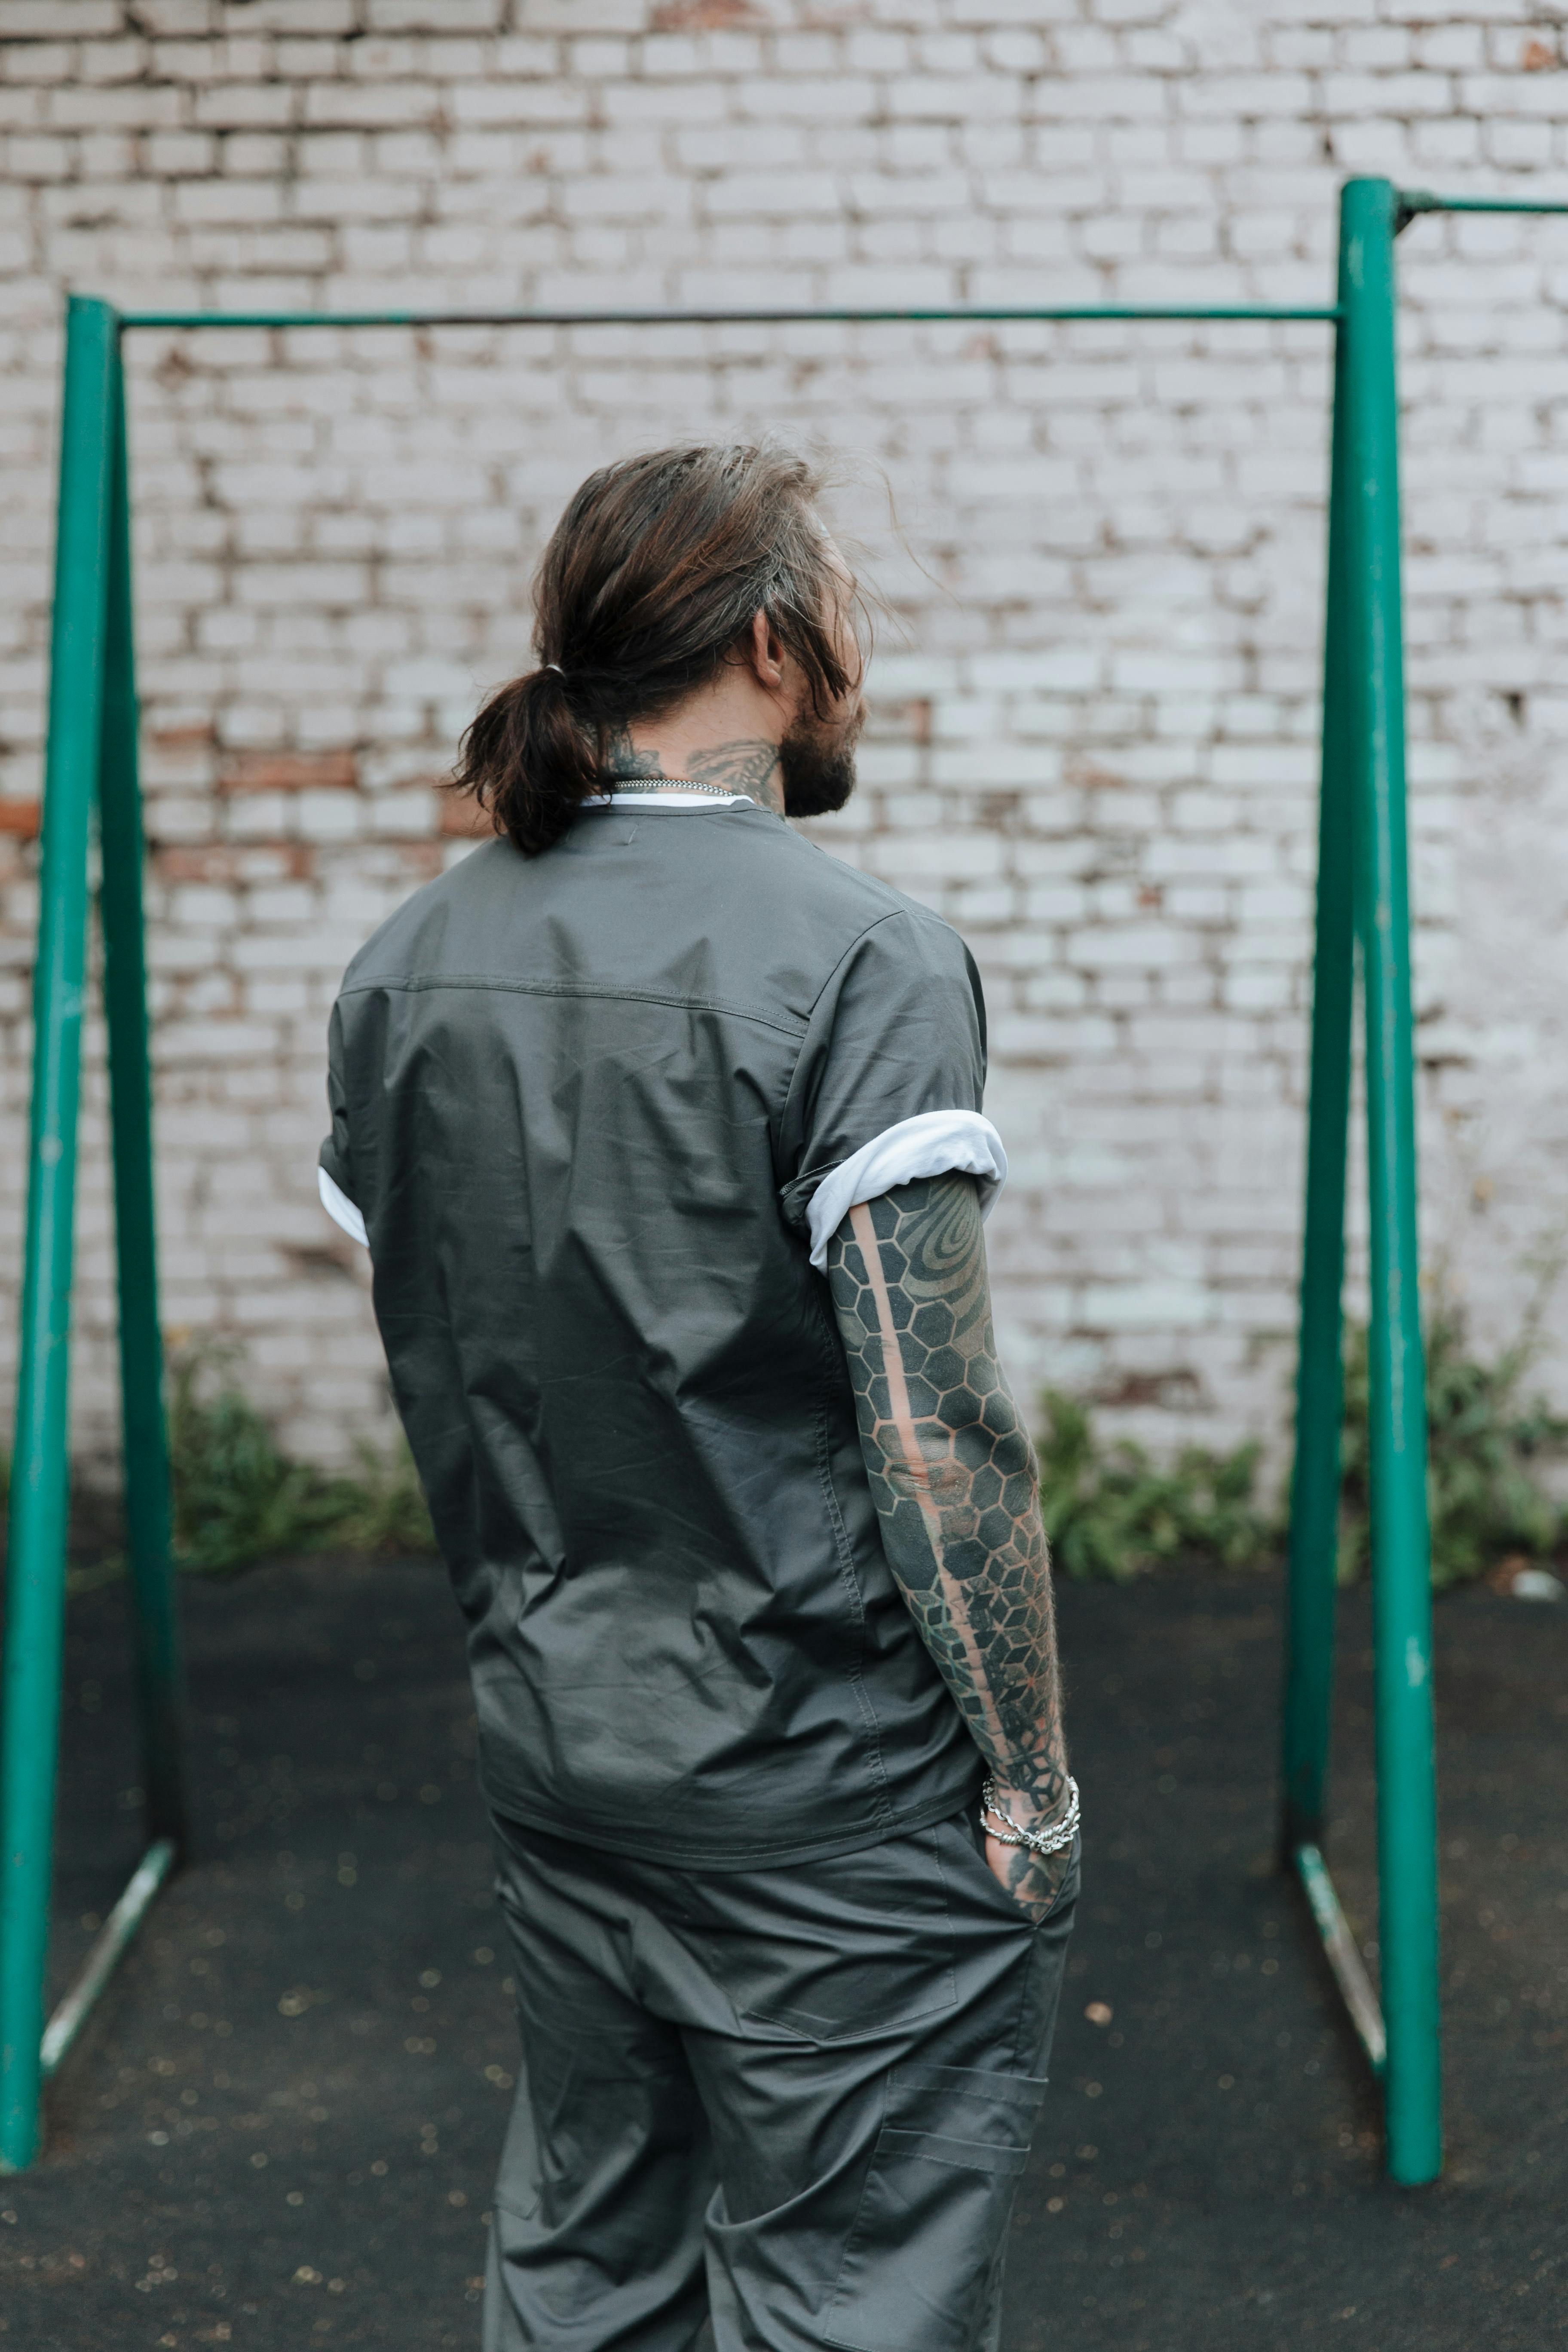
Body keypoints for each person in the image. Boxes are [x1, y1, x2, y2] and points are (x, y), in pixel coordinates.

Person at [317, 442, 1077, 2352]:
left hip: (562, 1755)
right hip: (827, 1796)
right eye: (844, 609)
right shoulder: (863, 960)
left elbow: (477, 1340)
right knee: (845, 2301)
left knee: (588, 2268)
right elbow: (931, 1429)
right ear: (770, 636)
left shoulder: (408, 963)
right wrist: (1033, 1783)